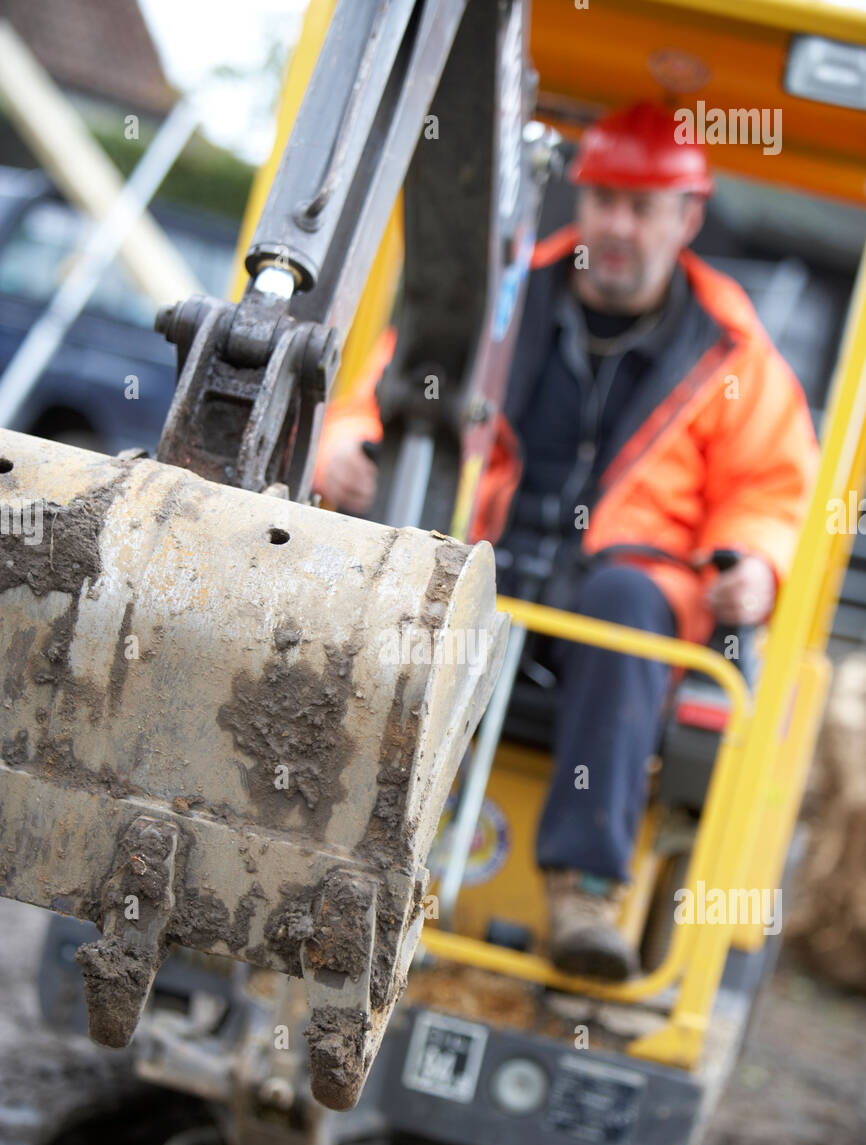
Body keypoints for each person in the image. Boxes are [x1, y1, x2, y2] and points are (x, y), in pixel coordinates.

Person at [311, 103, 818, 981]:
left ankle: (585, 892)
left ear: (687, 219)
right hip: (481, 573)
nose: (617, 226)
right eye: (604, 200)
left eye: (643, 206)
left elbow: (768, 490)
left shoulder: (737, 357)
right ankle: (352, 846)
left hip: (619, 606)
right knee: (421, 577)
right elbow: (380, 390)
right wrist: (342, 450)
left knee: (626, 600)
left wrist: (755, 565)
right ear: (579, 202)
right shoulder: (494, 304)